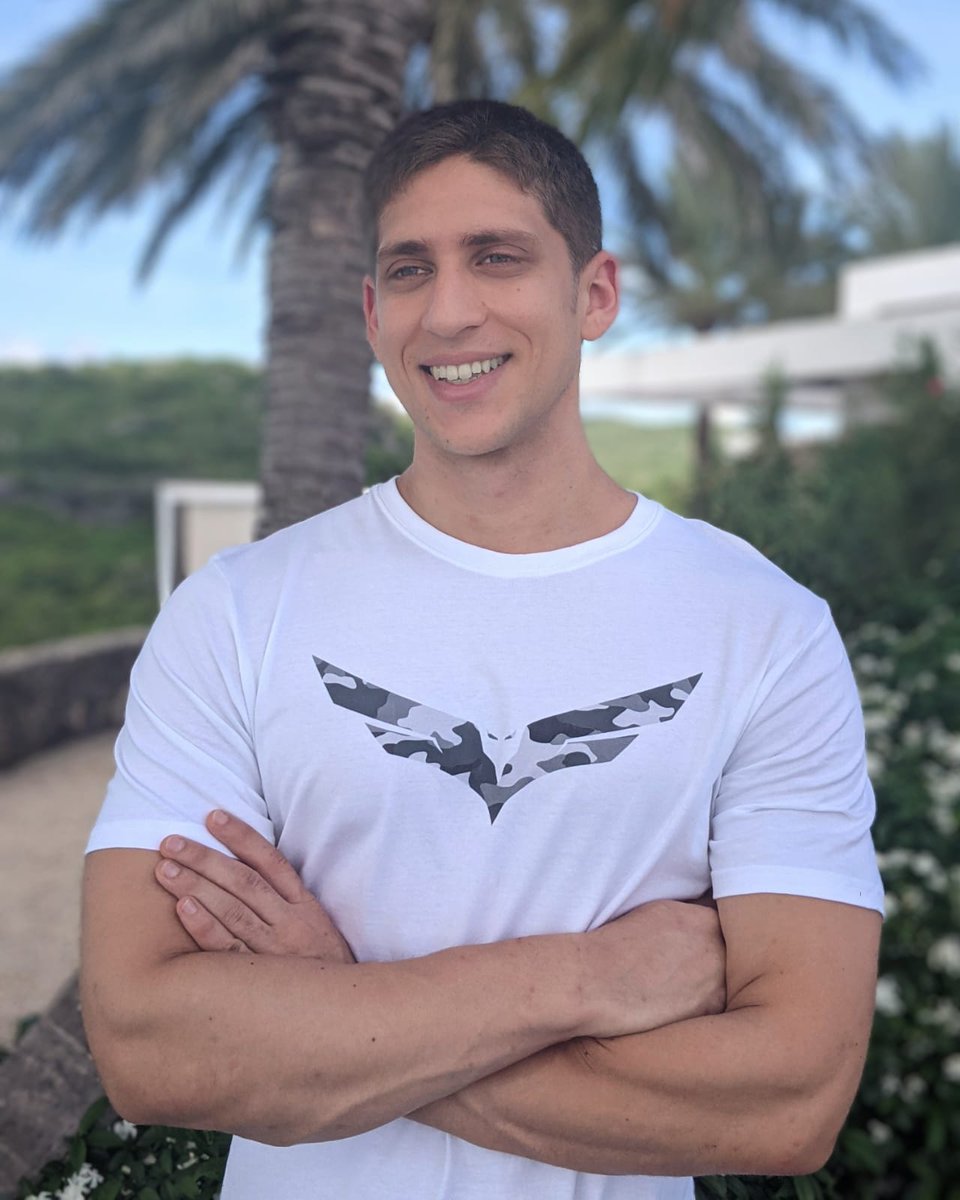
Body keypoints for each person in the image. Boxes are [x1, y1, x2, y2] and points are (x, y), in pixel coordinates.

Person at [81, 100, 883, 1200]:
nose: (450, 311)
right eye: (409, 270)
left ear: (594, 294)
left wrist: (337, 1002)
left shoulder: (764, 628)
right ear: (372, 312)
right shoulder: (236, 612)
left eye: (497, 257)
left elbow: (790, 1101)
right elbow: (149, 1047)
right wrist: (586, 977)